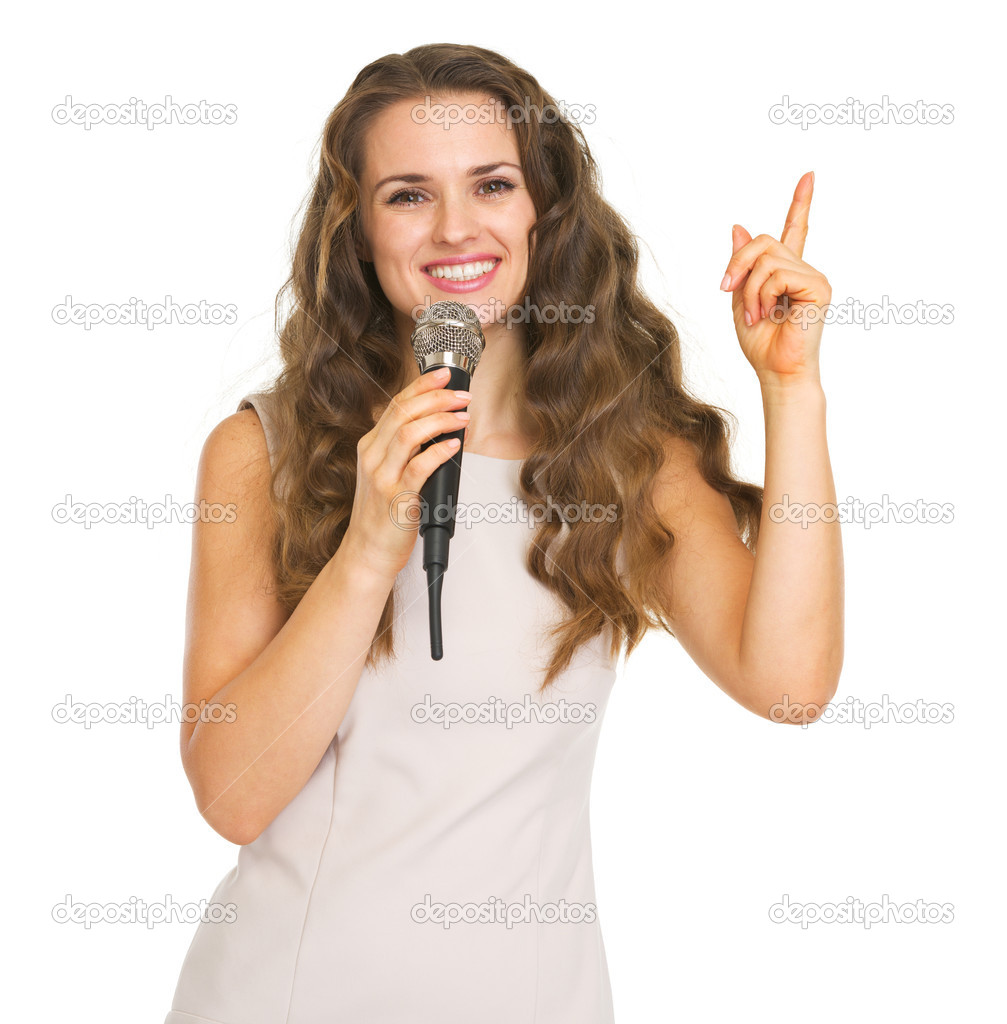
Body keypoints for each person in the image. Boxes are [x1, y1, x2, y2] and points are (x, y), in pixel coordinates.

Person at [165, 42, 843, 1024]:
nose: (454, 228)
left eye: (490, 184)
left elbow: (788, 683)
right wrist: (367, 547)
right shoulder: (263, 451)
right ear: (356, 228)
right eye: (406, 194)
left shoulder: (627, 456)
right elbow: (232, 798)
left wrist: (792, 390)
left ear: (541, 208)